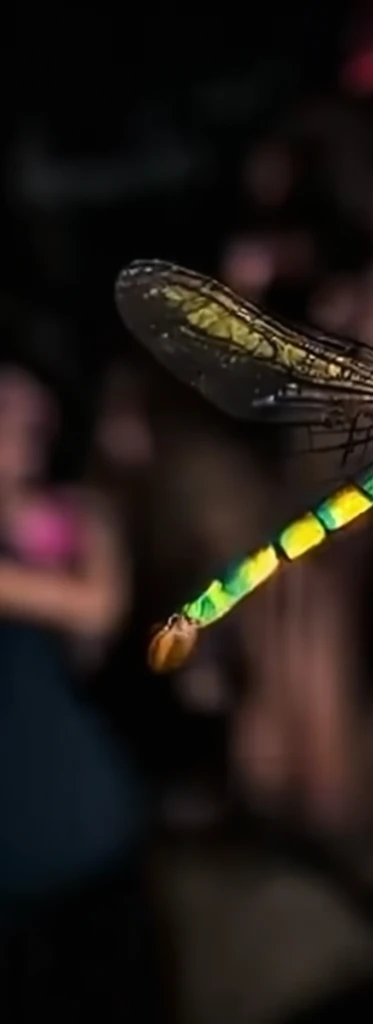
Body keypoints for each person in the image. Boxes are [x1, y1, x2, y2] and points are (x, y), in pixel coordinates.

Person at [0, 362, 162, 1023]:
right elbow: (92, 609)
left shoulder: (50, 527)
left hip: (90, 831)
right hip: (24, 858)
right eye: (6, 417)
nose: (26, 430)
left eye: (31, 418)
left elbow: (97, 630)